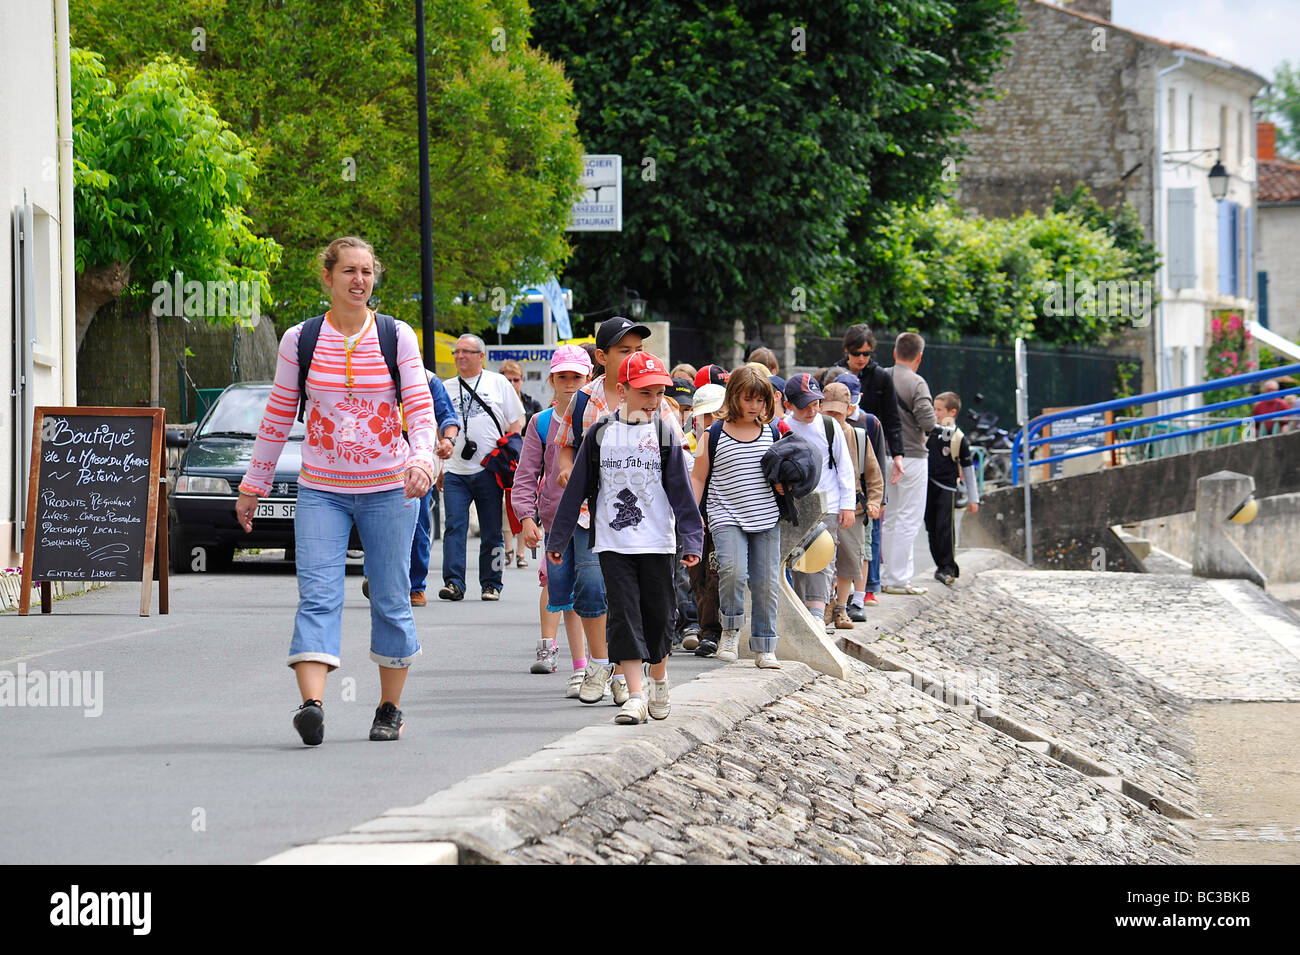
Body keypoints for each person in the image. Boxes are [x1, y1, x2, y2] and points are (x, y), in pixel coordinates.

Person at [235, 235, 437, 745]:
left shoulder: (397, 336)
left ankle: (389, 708)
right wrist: (254, 484)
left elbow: (419, 407)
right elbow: (278, 416)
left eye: (367, 271)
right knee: (318, 595)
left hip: (391, 488)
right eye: (348, 271)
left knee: (391, 596)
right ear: (327, 277)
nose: (359, 280)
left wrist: (422, 461)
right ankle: (312, 705)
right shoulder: (299, 340)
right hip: (320, 488)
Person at [547, 352, 704, 724]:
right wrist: (558, 539)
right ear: (623, 391)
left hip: (657, 543)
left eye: (658, 394)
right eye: (645, 393)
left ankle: (659, 679)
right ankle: (635, 694)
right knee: (624, 616)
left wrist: (693, 540)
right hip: (614, 544)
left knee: (659, 616)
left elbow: (681, 493)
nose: (653, 402)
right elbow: (577, 490)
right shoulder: (601, 434)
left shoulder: (664, 434)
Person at [512, 346, 597, 696]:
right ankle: (581, 667)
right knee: (568, 595)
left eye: (576, 377)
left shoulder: (600, 418)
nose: (569, 383)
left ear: (588, 379)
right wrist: (526, 518)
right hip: (558, 521)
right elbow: (526, 474)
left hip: (598, 517)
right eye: (562, 376)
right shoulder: (541, 422)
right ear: (552, 379)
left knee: (596, 591)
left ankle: (604, 664)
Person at [690, 366, 784, 667]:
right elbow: (698, 477)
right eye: (748, 399)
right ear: (734, 398)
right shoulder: (713, 434)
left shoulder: (773, 432)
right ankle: (729, 630)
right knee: (732, 572)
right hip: (726, 515)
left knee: (767, 582)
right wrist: (692, 516)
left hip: (766, 517)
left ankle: (765, 645)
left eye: (760, 400)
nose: (754, 406)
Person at [439, 334, 524, 602]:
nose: (460, 356)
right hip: (455, 470)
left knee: (491, 531)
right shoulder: (445, 387)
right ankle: (453, 583)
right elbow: (435, 428)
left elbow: (517, 421)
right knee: (454, 527)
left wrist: (506, 451)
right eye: (457, 352)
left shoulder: (498, 383)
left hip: (489, 470)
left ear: (481, 356)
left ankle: (492, 584)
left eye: (466, 351)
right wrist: (438, 466)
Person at [782, 373, 855, 633]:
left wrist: (847, 504)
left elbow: (844, 467)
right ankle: (802, 609)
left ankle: (816, 612)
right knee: (798, 560)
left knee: (823, 557)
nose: (812, 410)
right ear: (788, 404)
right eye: (805, 405)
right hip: (794, 506)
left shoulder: (828, 426)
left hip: (827, 504)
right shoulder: (782, 427)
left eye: (816, 403)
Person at [822, 382, 882, 629]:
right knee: (821, 560)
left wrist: (875, 501)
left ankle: (841, 607)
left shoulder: (857, 436)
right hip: (822, 507)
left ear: (849, 409)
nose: (834, 417)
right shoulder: (817, 432)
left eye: (838, 412)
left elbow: (874, 474)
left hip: (853, 509)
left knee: (848, 560)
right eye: (829, 412)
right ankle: (822, 603)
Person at [881, 332, 937, 596]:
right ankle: (899, 578)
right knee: (909, 518)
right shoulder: (917, 383)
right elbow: (927, 421)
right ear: (920, 357)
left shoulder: (881, 376)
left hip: (884, 455)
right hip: (912, 455)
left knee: (890, 517)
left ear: (894, 353)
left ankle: (885, 575)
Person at [683, 382, 726, 657]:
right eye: (704, 416)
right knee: (697, 576)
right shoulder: (686, 440)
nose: (708, 421)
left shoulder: (730, 437)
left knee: (716, 574)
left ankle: (713, 631)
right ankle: (702, 627)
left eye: (715, 414)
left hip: (723, 515)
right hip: (695, 516)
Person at [837, 324, 905, 484]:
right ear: (847, 350)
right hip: (840, 440)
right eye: (856, 353)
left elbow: (892, 418)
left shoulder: (881, 377)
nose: (861, 359)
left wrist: (898, 455)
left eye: (866, 354)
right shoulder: (835, 373)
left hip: (870, 443)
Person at [926, 392, 980, 587]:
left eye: (939, 410)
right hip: (927, 486)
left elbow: (968, 469)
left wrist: (973, 499)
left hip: (947, 488)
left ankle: (948, 566)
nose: (935, 413)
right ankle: (940, 565)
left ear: (952, 412)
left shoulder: (958, 438)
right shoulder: (929, 432)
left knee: (944, 527)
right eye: (934, 409)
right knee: (931, 527)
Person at [500, 359, 542, 568]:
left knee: (524, 501)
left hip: (525, 456)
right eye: (508, 380)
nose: (513, 383)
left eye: (516, 379)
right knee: (504, 506)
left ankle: (521, 552)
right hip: (502, 458)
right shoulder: (497, 402)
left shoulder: (530, 403)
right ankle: (508, 549)